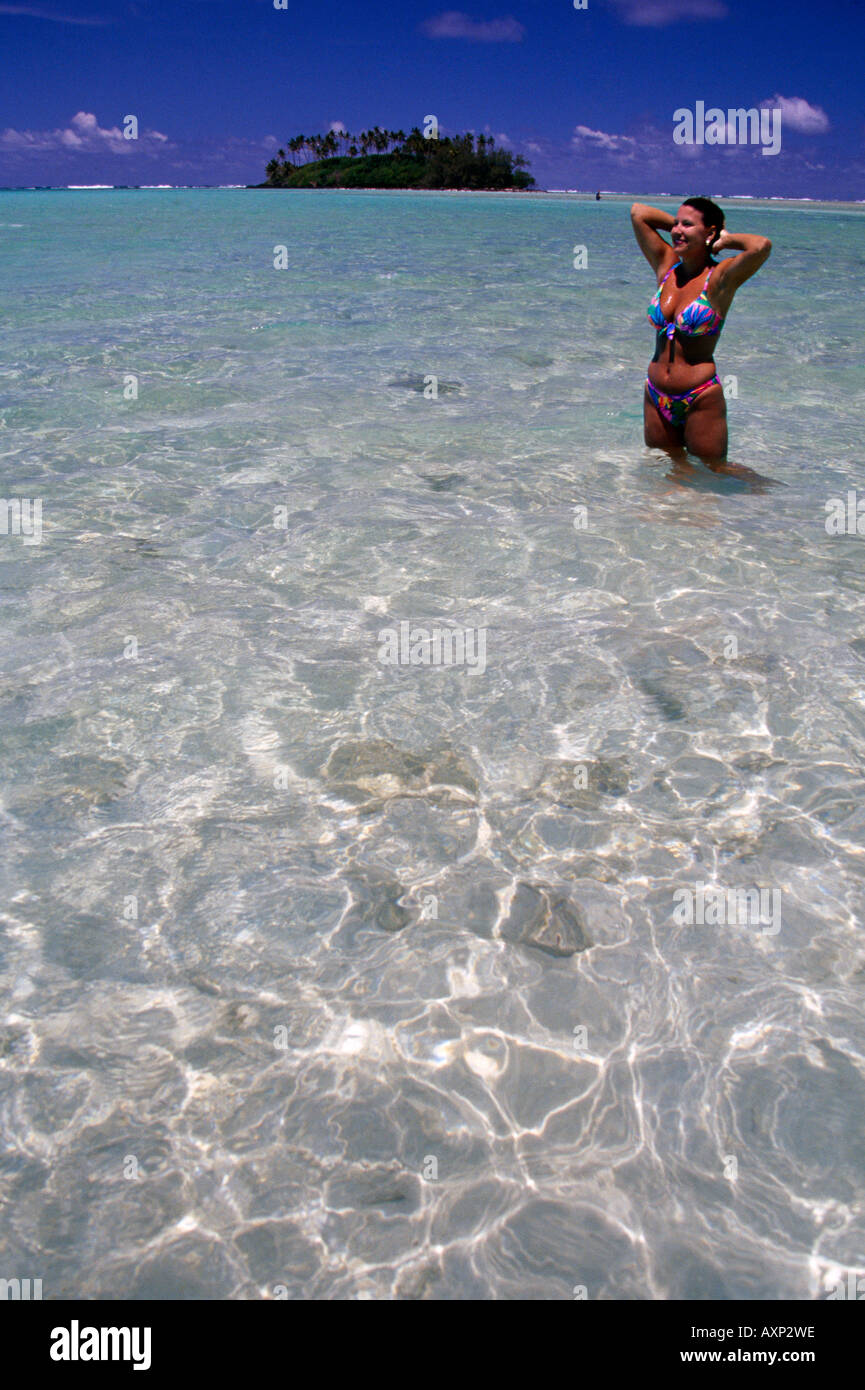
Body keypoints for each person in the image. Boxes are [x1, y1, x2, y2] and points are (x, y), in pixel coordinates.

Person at [630, 196, 772, 481]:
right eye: (676, 224)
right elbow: (638, 213)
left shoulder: (720, 278)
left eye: (688, 224)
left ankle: (775, 496)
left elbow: (761, 246)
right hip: (656, 395)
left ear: (710, 232)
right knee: (666, 469)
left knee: (713, 473)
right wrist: (683, 229)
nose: (677, 230)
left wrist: (723, 240)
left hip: (700, 397)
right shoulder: (666, 266)